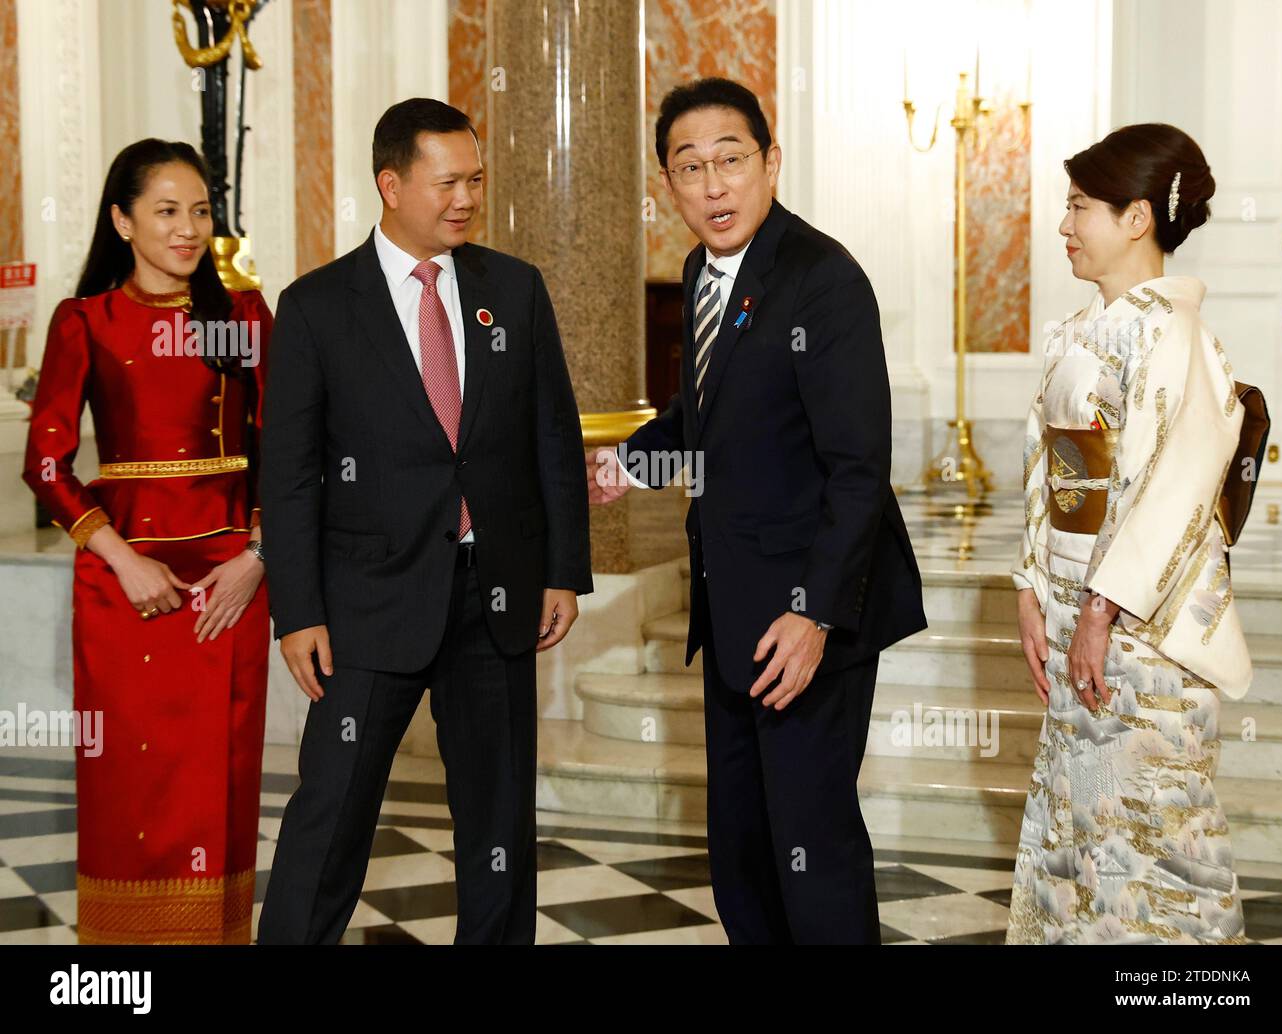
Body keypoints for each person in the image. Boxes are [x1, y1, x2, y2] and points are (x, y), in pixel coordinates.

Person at [587, 78, 926, 944]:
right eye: (688, 167)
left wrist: (811, 615)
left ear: (770, 162)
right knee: (741, 844)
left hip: (810, 614)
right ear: (667, 183)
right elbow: (707, 419)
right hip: (734, 607)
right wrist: (631, 461)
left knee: (810, 844)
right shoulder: (705, 271)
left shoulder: (822, 281)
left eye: (730, 160)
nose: (712, 186)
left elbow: (858, 471)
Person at [256, 98, 592, 945]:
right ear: (391, 184)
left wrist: (562, 568)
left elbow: (553, 434)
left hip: (496, 598)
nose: (467, 199)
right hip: (366, 606)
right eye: (448, 182)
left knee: (498, 824)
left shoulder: (512, 289)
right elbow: (288, 477)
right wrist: (296, 612)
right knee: (329, 818)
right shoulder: (316, 307)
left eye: (476, 180)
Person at [22, 139, 272, 943]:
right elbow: (47, 461)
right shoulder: (85, 320)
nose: (188, 228)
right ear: (122, 220)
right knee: (131, 781)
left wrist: (257, 558)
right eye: (166, 211)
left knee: (220, 781)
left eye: (200, 210)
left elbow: (279, 445)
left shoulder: (239, 318)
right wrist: (122, 559)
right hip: (125, 583)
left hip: (231, 580)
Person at [1008, 123, 1251, 944]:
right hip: (1083, 606)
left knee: (1153, 836)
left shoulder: (1173, 335)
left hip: (1139, 628)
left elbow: (1175, 489)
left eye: (1081, 207)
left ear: (1138, 218)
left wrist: (1102, 610)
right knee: (1085, 828)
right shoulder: (1083, 330)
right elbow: (1053, 474)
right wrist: (1033, 590)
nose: (1066, 225)